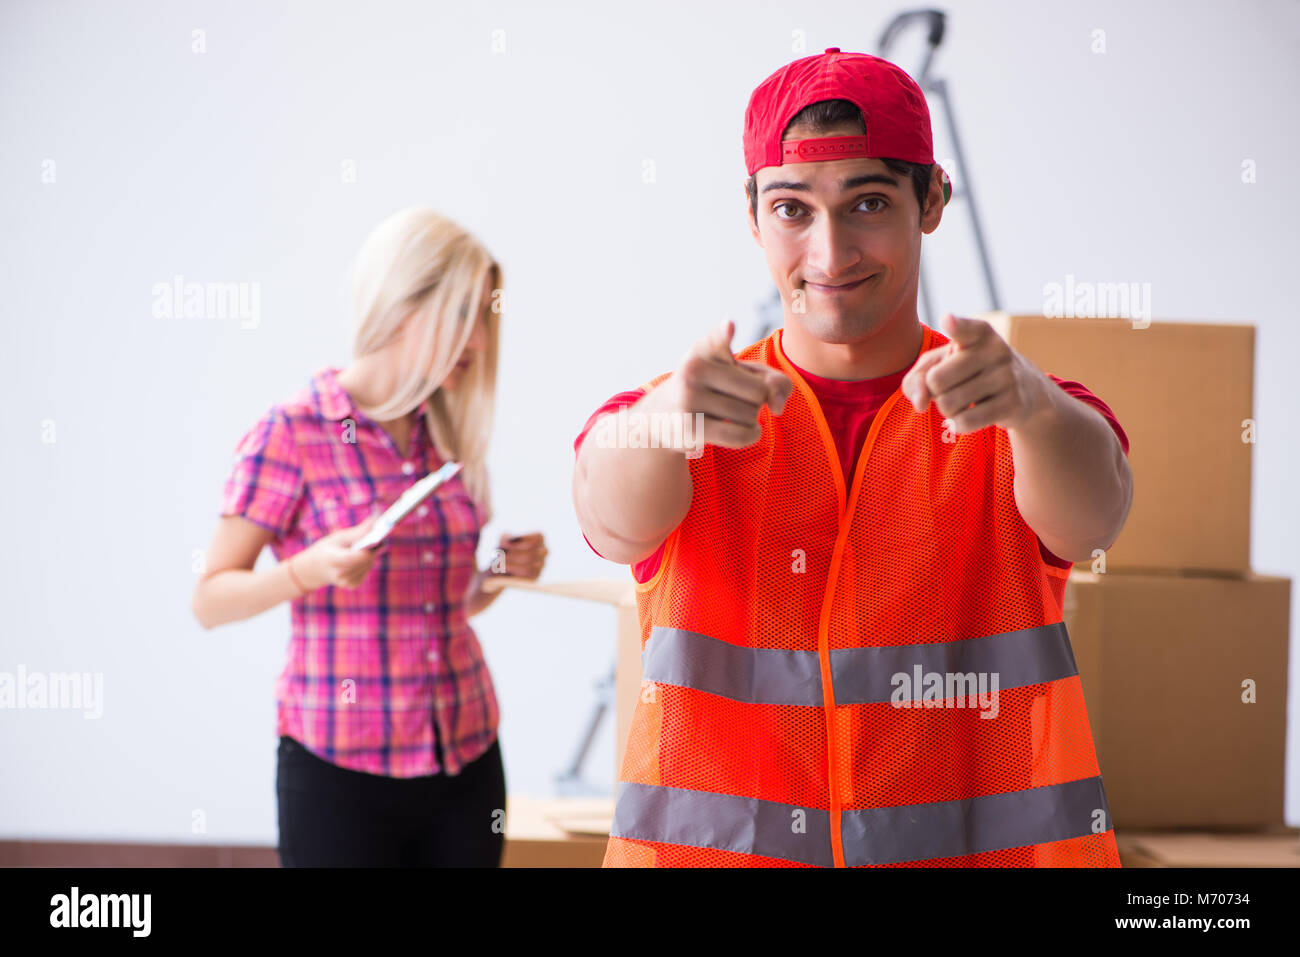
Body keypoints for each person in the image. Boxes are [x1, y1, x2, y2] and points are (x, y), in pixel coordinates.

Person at [573, 49, 1133, 867]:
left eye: (868, 202)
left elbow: (1096, 518)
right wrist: (666, 420)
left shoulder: (1014, 411)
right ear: (754, 214)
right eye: (794, 209)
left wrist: (1036, 405)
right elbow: (608, 516)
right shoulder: (690, 413)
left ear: (932, 198)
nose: (831, 255)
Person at [192, 206, 548, 867]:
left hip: (464, 754)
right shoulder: (295, 431)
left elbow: (444, 603)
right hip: (339, 770)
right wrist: (308, 570)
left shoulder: (449, 431)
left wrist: (496, 570)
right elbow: (210, 598)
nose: (479, 340)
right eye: (464, 313)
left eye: (486, 317)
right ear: (402, 307)